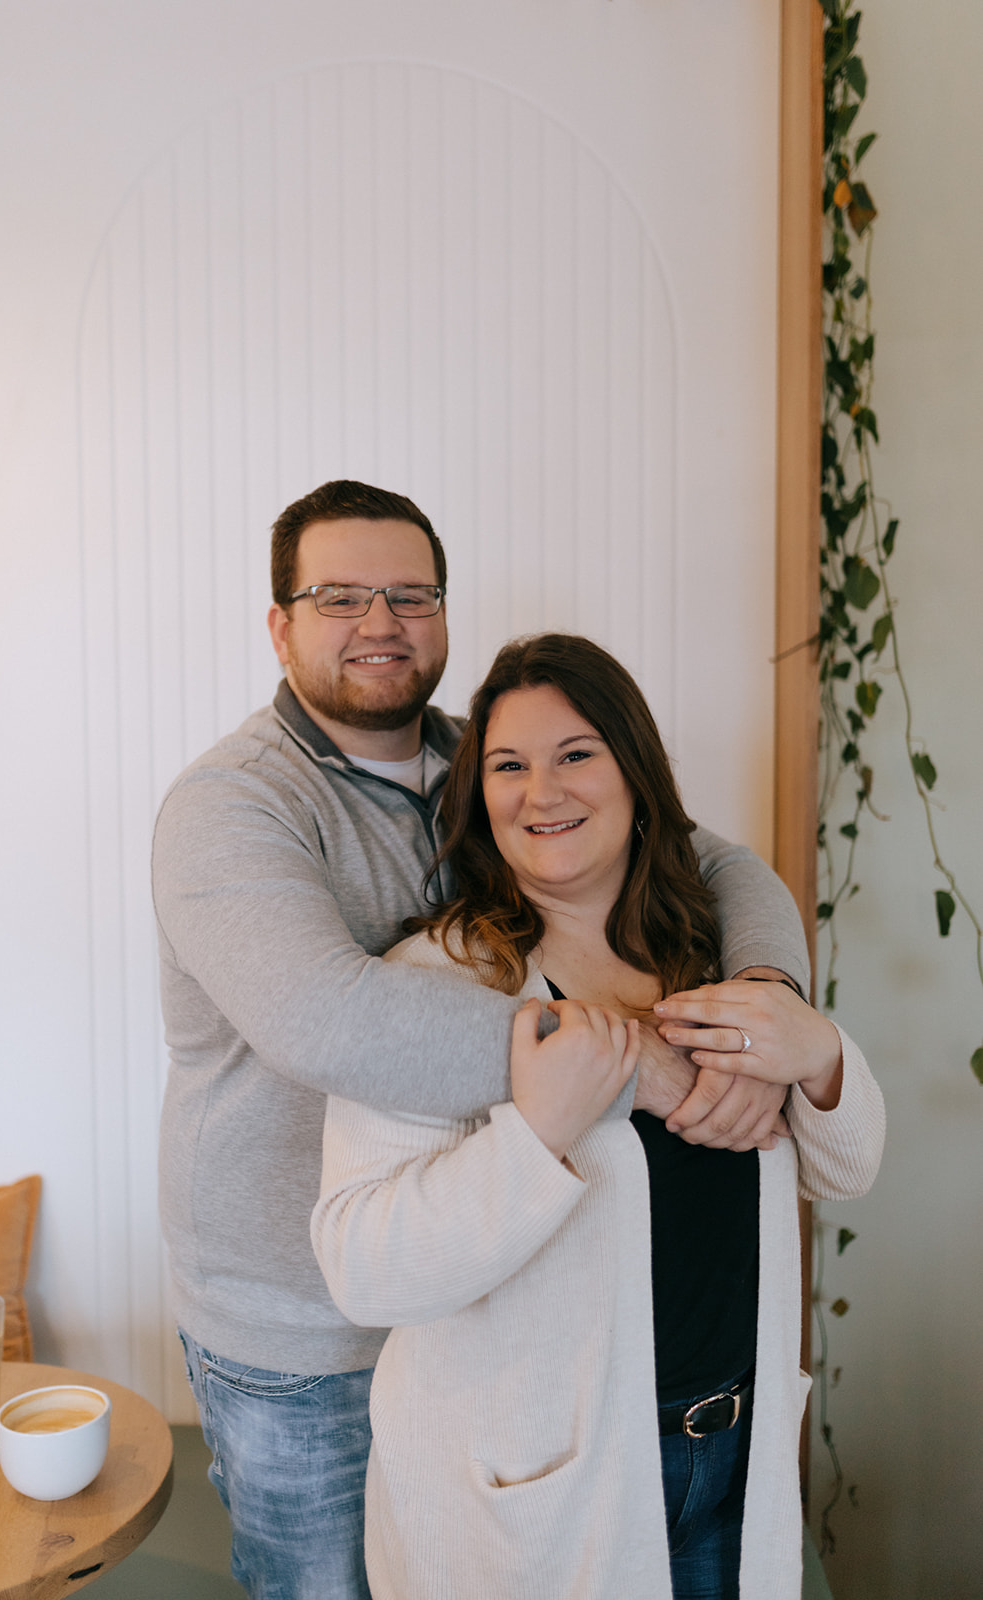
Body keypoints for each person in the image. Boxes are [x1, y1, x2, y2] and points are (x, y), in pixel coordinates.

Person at [153, 481, 814, 1600]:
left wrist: (763, 1001)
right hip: (296, 1335)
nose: (381, 622)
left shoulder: (492, 759)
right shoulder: (231, 806)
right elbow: (327, 1018)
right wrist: (627, 1061)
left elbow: (707, 859)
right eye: (339, 596)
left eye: (411, 595)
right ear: (279, 624)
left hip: (481, 1314)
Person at [312, 633, 885, 1600]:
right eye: (507, 765)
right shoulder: (440, 982)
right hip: (542, 1500)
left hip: (733, 1460)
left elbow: (848, 1168)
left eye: (575, 753)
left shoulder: (720, 959)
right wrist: (533, 1138)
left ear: (635, 770)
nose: (542, 792)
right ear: (478, 796)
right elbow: (361, 1264)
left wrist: (820, 1055)